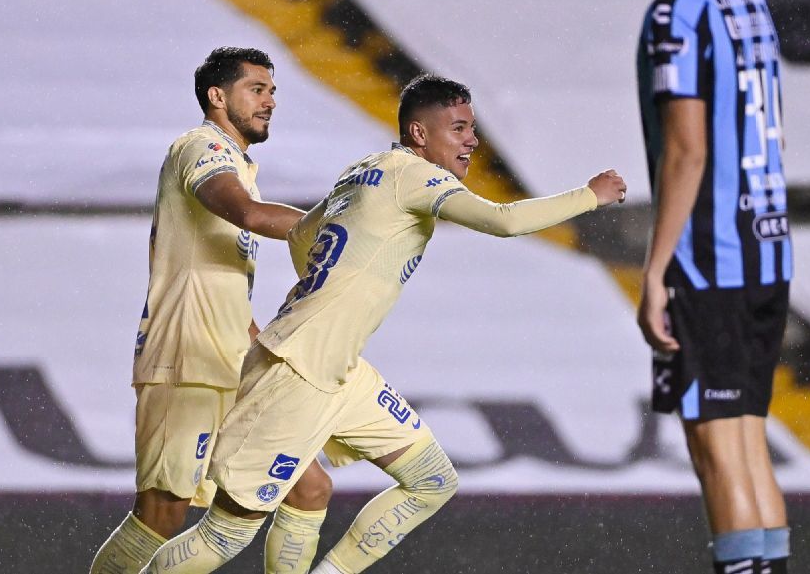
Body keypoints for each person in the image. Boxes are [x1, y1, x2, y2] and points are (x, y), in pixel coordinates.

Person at [138, 74, 627, 574]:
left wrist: (335, 285)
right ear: (420, 134)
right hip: (298, 371)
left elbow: (306, 237)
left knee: (431, 480)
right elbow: (503, 220)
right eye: (459, 128)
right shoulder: (414, 176)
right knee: (226, 532)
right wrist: (589, 195)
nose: (472, 141)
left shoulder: (365, 171)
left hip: (336, 369)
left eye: (472, 128)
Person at [91, 47, 333, 574]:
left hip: (231, 357)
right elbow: (244, 213)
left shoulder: (243, 165)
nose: (270, 101)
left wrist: (262, 350)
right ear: (217, 97)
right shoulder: (200, 147)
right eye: (257, 89)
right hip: (186, 358)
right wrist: (333, 228)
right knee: (162, 511)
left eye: (273, 91)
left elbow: (226, 286)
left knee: (308, 485)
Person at [618, 0, 793, 574]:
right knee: (747, 444)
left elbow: (687, 150)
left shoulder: (677, 14)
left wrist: (656, 269)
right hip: (766, 252)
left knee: (717, 454)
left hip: (710, 256)